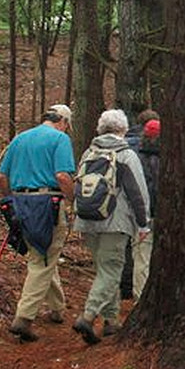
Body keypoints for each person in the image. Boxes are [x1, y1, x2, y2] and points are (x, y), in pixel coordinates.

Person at [0, 104, 76, 343]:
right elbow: (63, 176)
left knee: (40, 254)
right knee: (43, 260)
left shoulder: (20, 139)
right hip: (48, 204)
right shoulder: (60, 139)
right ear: (62, 121)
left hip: (20, 203)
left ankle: (57, 309)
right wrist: (72, 200)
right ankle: (24, 317)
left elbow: (1, 175)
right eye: (67, 125)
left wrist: (10, 198)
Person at [72, 109, 150, 344]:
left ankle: (111, 321)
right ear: (123, 129)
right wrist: (143, 223)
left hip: (86, 219)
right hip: (114, 221)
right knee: (111, 269)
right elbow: (138, 193)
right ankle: (88, 315)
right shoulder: (126, 155)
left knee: (104, 269)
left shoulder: (89, 152)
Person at [120, 108, 159, 300]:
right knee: (143, 253)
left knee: (127, 248)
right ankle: (141, 296)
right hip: (148, 208)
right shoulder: (155, 149)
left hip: (125, 208)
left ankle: (125, 287)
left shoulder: (123, 146)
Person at [131, 118, 160, 299]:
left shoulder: (135, 157)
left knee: (141, 256)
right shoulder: (171, 159)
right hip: (155, 213)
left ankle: (140, 296)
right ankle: (143, 297)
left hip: (140, 212)